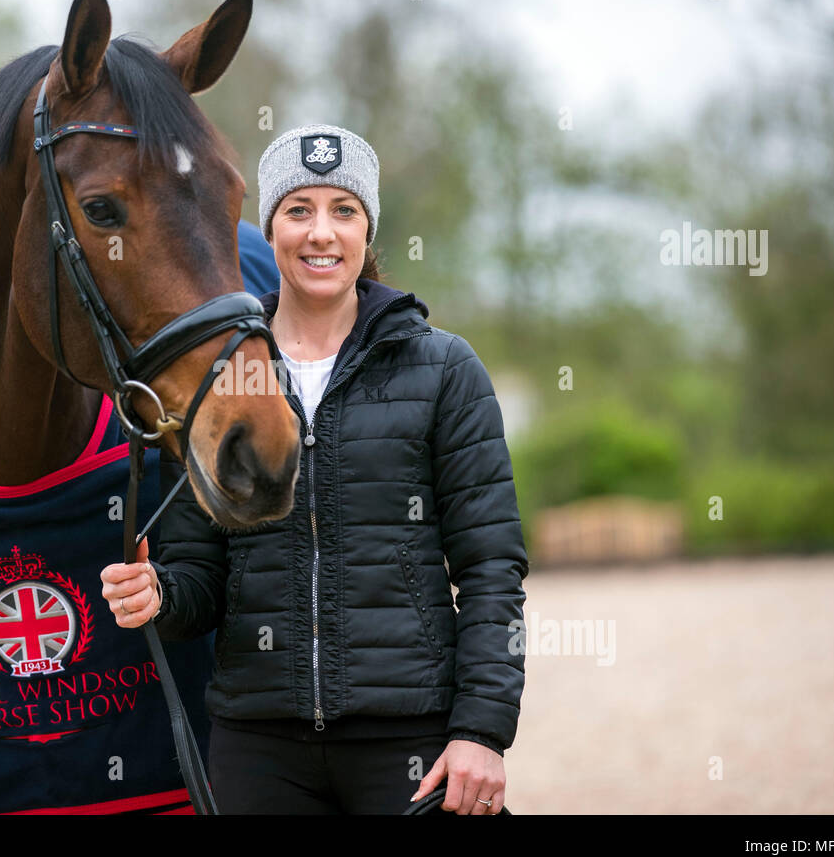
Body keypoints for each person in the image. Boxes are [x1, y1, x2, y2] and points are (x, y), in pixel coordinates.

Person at [100, 124, 528, 814]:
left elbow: (490, 569)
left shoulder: (445, 369)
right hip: (258, 748)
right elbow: (199, 575)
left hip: (409, 742)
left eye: (343, 210)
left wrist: (481, 731)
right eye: (298, 211)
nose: (320, 233)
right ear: (269, 232)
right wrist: (159, 594)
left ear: (367, 229)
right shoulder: (217, 380)